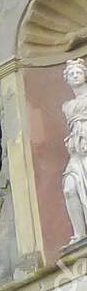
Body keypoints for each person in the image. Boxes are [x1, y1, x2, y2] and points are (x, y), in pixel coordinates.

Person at [64, 58, 87, 244]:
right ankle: (80, 234)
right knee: (69, 189)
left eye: (78, 72)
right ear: (67, 80)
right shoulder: (67, 106)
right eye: (71, 74)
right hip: (77, 152)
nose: (75, 75)